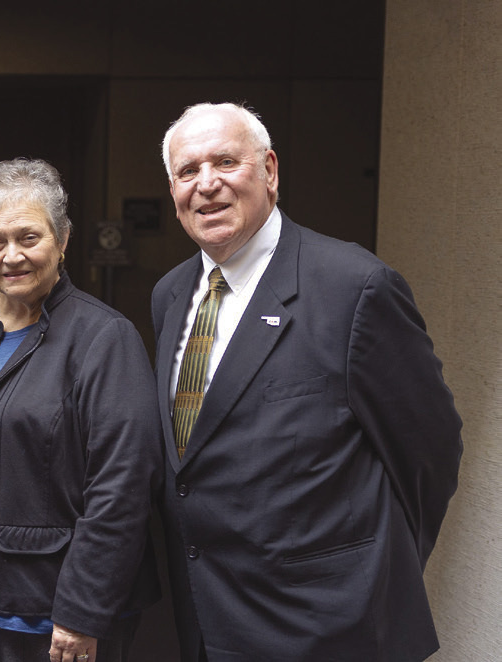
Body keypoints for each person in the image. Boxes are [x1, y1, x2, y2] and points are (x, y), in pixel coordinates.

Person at [152, 102, 463, 662]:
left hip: (327, 629)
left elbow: (428, 453)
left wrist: (370, 576)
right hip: (206, 621)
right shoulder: (170, 296)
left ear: (269, 170)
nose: (207, 185)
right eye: (187, 171)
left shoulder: (355, 287)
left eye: (226, 162)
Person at [0, 158, 161, 662]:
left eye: (29, 238)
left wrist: (84, 609)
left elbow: (122, 486)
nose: (11, 256)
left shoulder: (104, 338)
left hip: (51, 614)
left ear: (63, 239)